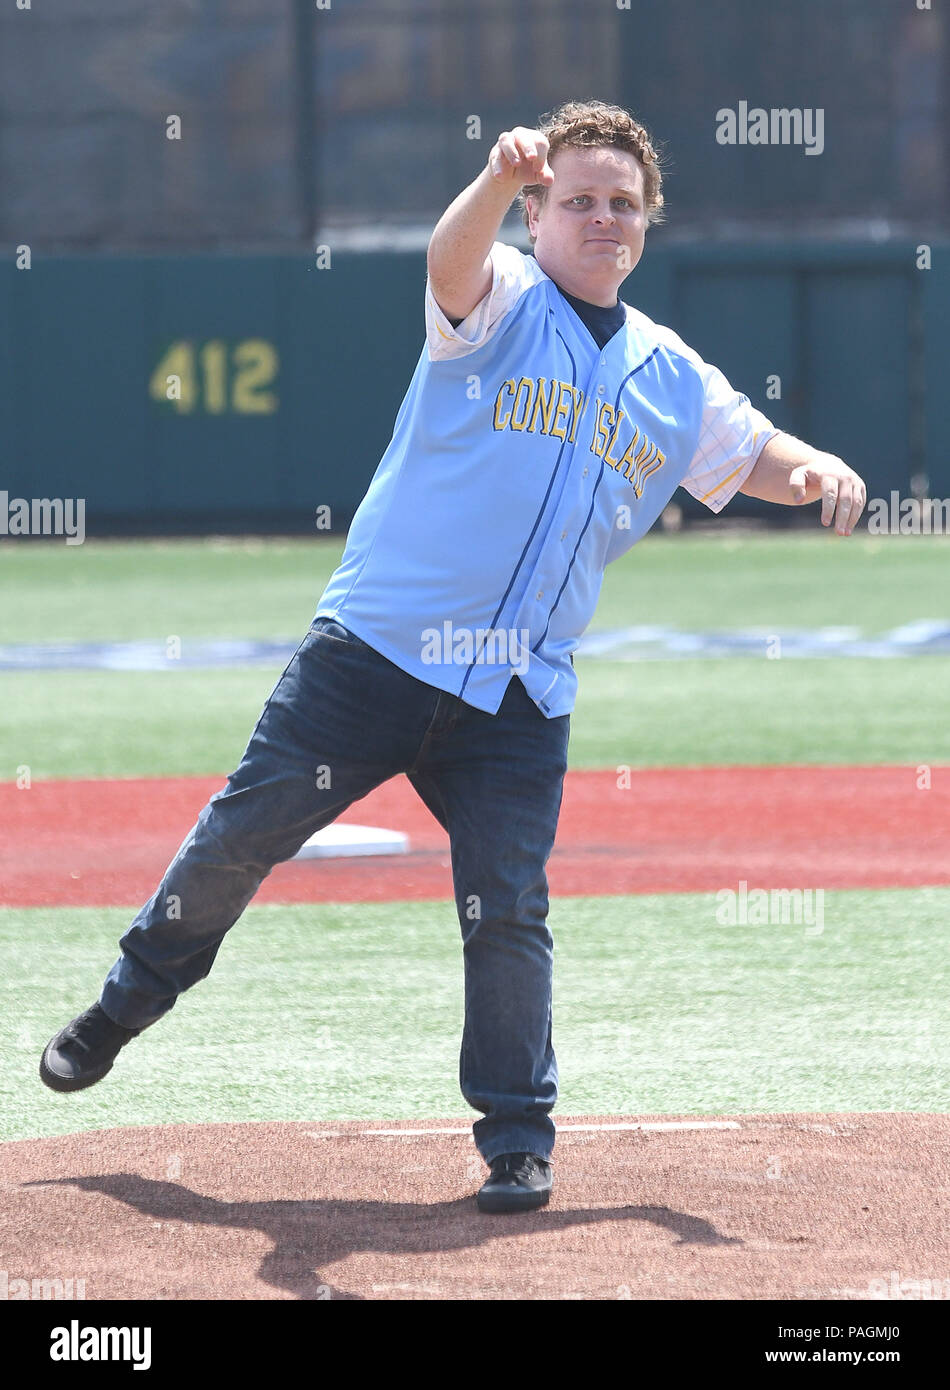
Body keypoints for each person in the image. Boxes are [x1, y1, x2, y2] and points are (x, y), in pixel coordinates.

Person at [40, 100, 866, 1214]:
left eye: (621, 203)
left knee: (508, 906)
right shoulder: (499, 301)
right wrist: (489, 181)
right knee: (242, 834)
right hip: (375, 654)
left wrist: (812, 465)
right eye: (575, 200)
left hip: (518, 694)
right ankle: (128, 999)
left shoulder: (669, 374)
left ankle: (517, 1137)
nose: (600, 218)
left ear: (647, 221)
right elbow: (451, 258)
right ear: (537, 213)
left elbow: (746, 451)